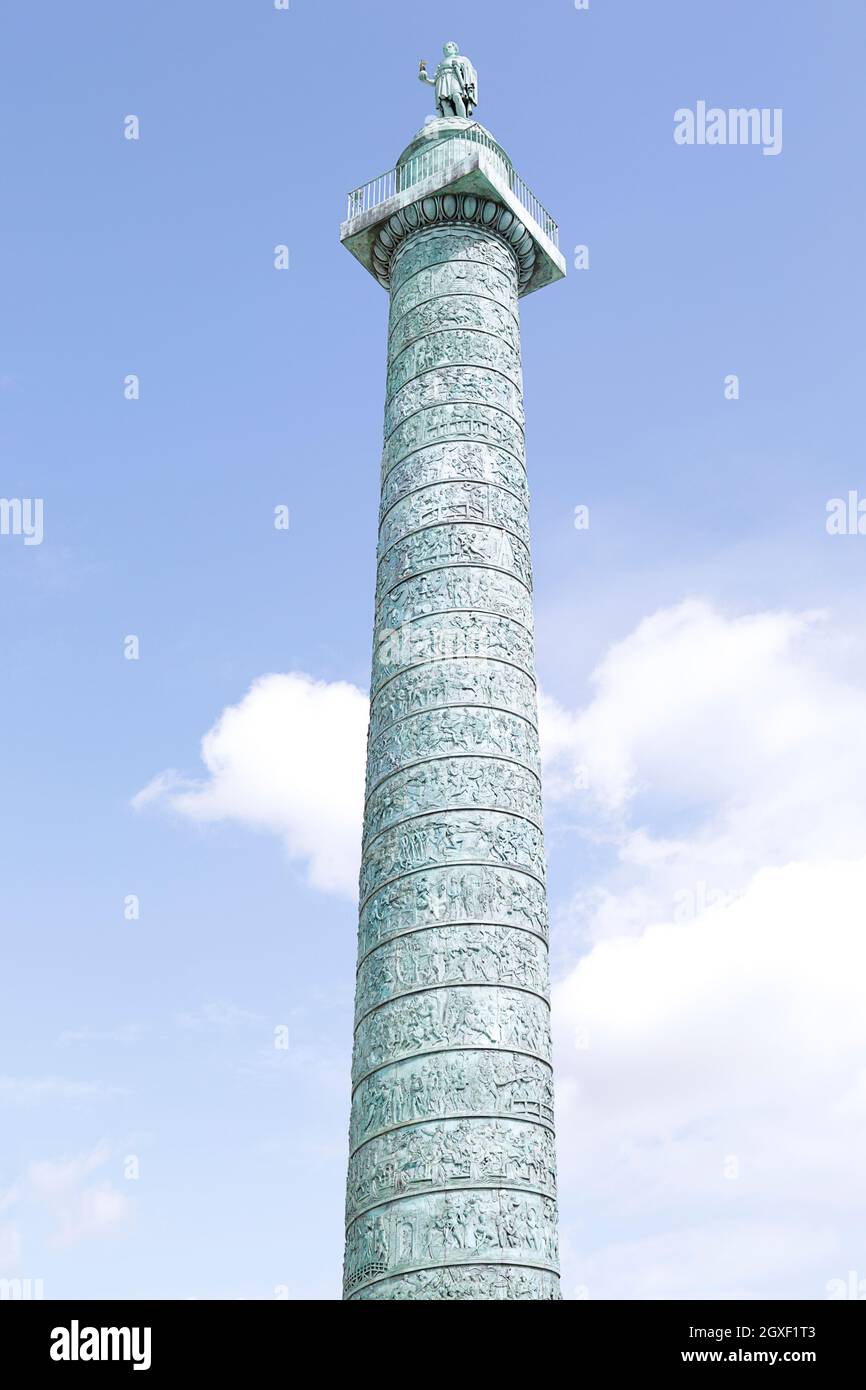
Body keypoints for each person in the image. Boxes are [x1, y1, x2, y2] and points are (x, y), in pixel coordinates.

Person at [419, 42, 478, 118]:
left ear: (455, 49)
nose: (446, 49)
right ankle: (450, 120)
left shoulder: (462, 59)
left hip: (454, 79)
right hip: (442, 82)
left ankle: (462, 119)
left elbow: (469, 73)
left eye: (449, 47)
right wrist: (426, 80)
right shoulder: (440, 64)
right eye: (444, 49)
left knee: (457, 96)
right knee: (444, 103)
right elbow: (435, 81)